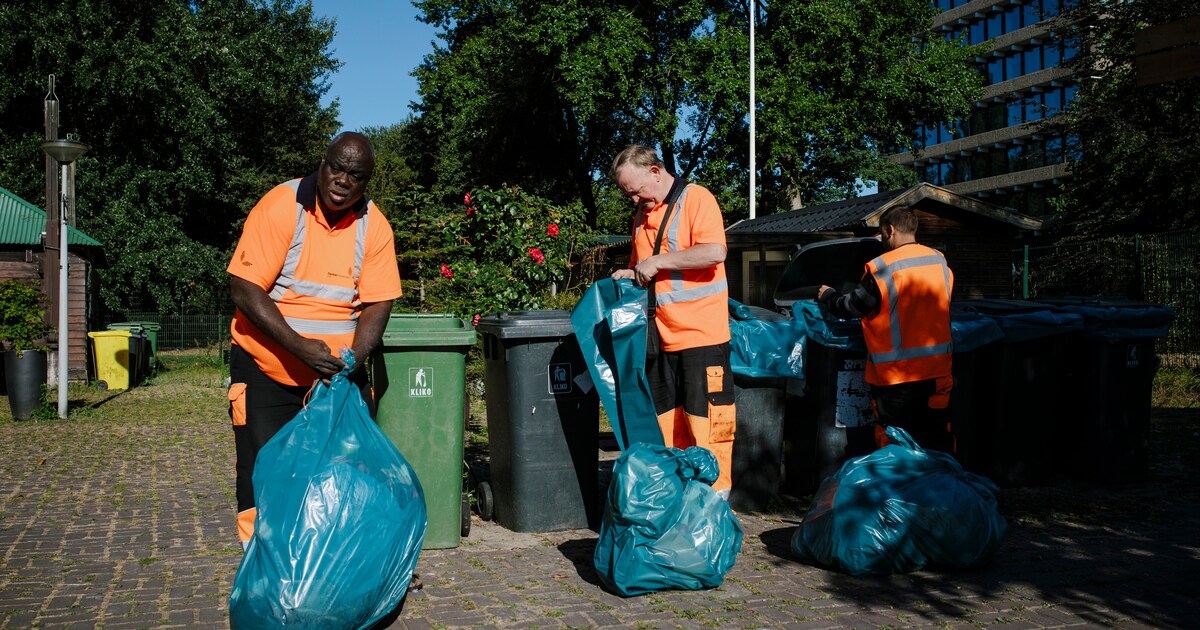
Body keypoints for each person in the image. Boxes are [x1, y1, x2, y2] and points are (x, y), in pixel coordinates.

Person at [226, 132, 402, 549]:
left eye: (355, 175)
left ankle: (331, 563)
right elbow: (245, 289)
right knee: (264, 469)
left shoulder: (373, 225)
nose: (342, 180)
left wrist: (354, 358)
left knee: (344, 472)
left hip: (335, 378)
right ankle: (263, 563)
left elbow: (378, 304)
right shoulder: (282, 206)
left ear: (367, 182)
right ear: (322, 163)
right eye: (336, 168)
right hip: (267, 368)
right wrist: (300, 346)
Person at [609, 144, 737, 497]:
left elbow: (715, 251)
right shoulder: (643, 213)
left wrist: (658, 263)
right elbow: (645, 269)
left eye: (637, 190)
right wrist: (630, 272)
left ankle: (715, 502)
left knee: (707, 428)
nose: (635, 199)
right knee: (668, 427)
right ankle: (678, 498)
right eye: (628, 194)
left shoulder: (696, 198)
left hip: (701, 337)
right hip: (659, 339)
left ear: (655, 170)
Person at [817, 205, 955, 453]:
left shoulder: (883, 267)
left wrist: (828, 295)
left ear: (889, 230)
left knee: (895, 442)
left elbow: (851, 306)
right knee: (935, 437)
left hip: (898, 378)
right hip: (937, 373)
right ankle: (938, 487)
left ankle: (897, 492)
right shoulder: (938, 261)